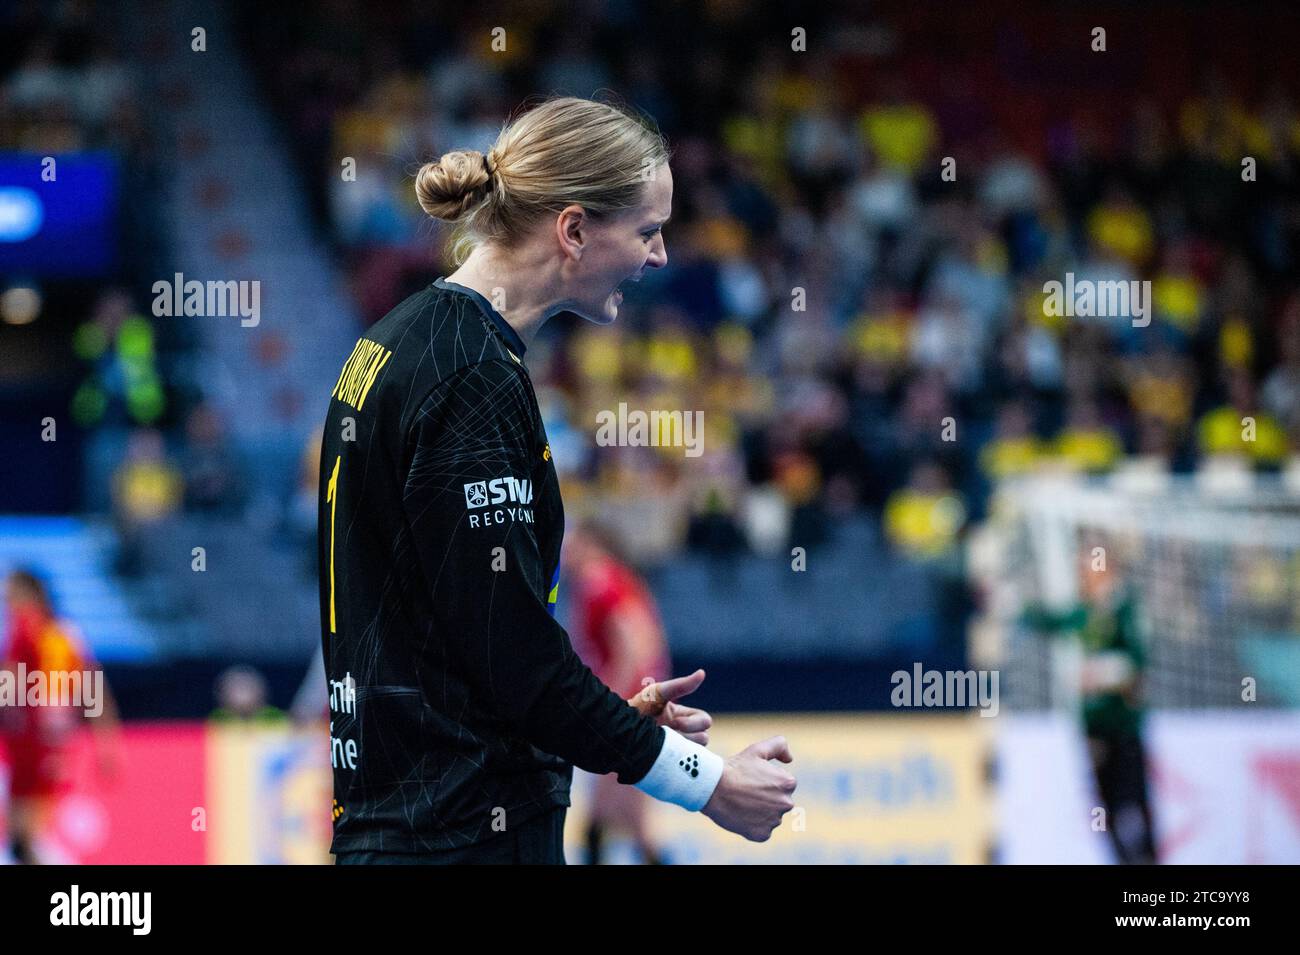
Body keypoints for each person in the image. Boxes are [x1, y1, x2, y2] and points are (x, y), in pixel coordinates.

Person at [317, 96, 796, 864]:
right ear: (573, 230)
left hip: (418, 826)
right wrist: (707, 781)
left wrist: (609, 722)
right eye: (647, 231)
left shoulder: (398, 344)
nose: (660, 256)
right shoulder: (471, 376)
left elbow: (464, 643)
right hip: (458, 840)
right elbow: (512, 655)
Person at [1022, 547, 1158, 864]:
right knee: (1103, 805)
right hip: (1092, 728)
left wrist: (1098, 674)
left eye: (1089, 569)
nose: (1082, 575)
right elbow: (1051, 621)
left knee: (1132, 802)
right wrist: (1018, 607)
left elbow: (1136, 663)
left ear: (1107, 570)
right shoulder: (1085, 612)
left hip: (1122, 727)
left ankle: (1146, 858)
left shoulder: (1126, 610)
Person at [563, 522, 674, 863]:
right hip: (638, 709)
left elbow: (638, 645)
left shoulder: (600, 581)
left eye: (570, 544)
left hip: (629, 712)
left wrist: (610, 704)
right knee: (630, 820)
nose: (563, 553)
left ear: (589, 544)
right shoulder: (614, 580)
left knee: (607, 817)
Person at [1, 569, 121, 864]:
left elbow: (91, 688)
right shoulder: (19, 635)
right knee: (21, 839)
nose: (8, 603)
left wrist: (107, 740)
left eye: (12, 595)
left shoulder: (58, 637)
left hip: (45, 745)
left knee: (29, 837)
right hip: (21, 748)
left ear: (33, 596)